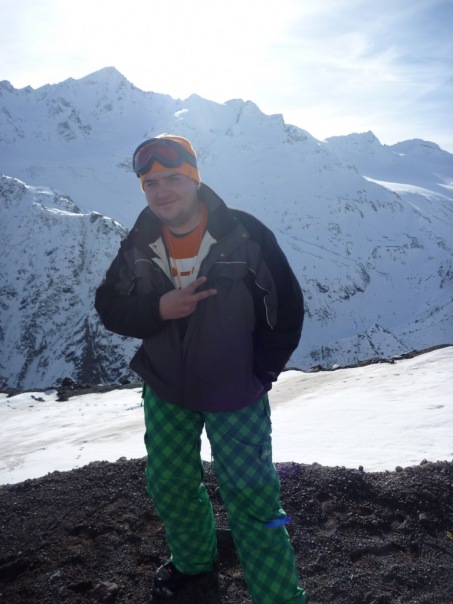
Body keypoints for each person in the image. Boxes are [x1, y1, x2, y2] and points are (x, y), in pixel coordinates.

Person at [95, 134, 306, 603]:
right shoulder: (141, 238)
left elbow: (286, 309)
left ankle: (279, 598)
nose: (162, 191)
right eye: (150, 183)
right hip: (166, 388)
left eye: (173, 178)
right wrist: (159, 309)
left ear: (194, 179)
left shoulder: (245, 235)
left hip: (236, 392)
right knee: (170, 485)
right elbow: (108, 304)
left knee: (252, 497)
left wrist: (259, 374)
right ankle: (193, 568)